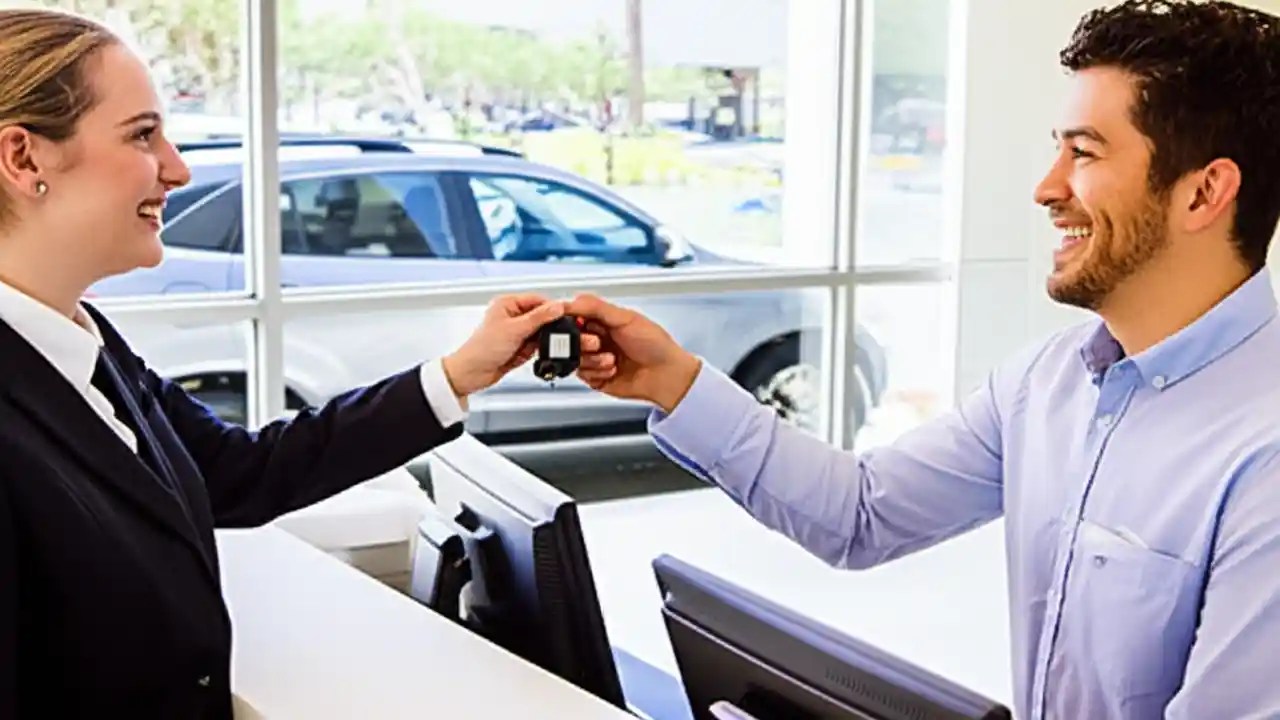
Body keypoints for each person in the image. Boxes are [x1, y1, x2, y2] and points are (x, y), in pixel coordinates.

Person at [569, 2, 1280, 718]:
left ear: (1204, 192)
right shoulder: (1047, 381)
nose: (1046, 187)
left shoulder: (1265, 459)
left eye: (1085, 153)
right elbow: (861, 513)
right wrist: (671, 381)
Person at [0, 9, 593, 719]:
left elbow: (241, 471)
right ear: (23, 158)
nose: (178, 169)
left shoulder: (84, 344)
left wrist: (459, 374)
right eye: (142, 134)